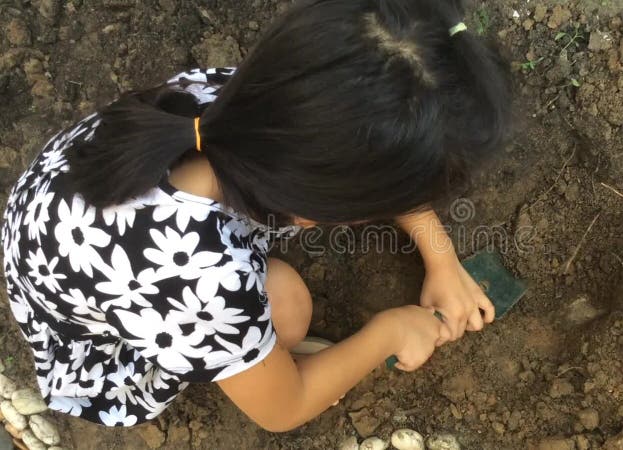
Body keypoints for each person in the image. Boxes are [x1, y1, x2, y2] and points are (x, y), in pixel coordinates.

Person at [1, 0, 511, 430]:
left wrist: (441, 257)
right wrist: (392, 332)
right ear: (318, 212)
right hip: (103, 329)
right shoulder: (204, 287)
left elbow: (372, 143)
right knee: (287, 307)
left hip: (66, 226)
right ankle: (256, 360)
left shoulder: (248, 99)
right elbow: (282, 411)